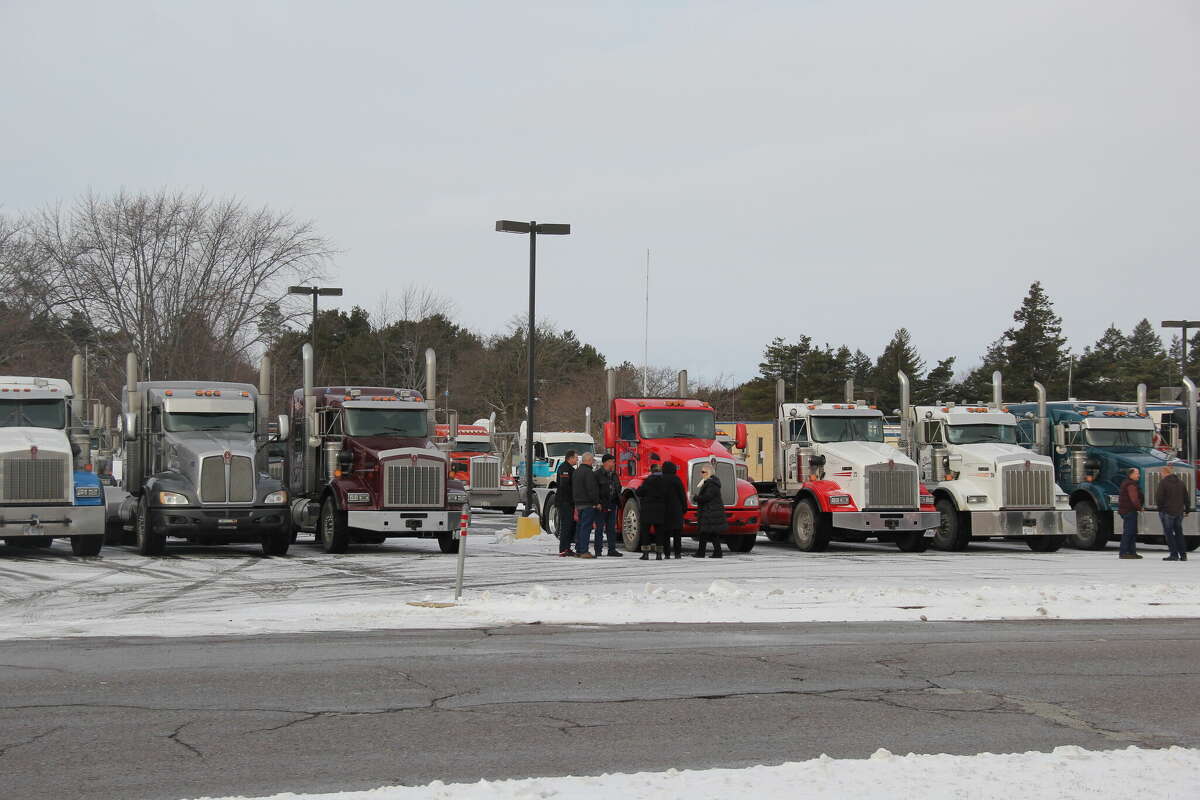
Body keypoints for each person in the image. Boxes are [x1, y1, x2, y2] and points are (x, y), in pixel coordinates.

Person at [1155, 463, 1189, 562]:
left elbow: (1159, 497)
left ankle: (1173, 554)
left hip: (1167, 512)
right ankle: (1183, 555)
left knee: (1169, 534)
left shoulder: (1163, 483)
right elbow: (1186, 497)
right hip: (1179, 512)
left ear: (1165, 473)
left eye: (1162, 473)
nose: (1161, 475)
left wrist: (1160, 509)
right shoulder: (1181, 482)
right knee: (1179, 533)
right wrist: (1187, 509)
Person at [692, 464, 726, 558]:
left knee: (705, 533)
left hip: (710, 512)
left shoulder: (711, 484)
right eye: (701, 472)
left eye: (703, 472)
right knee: (712, 533)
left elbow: (707, 497)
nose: (701, 474)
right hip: (711, 511)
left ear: (708, 472)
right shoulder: (710, 482)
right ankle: (716, 553)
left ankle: (702, 553)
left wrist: (696, 498)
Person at [572, 452, 600, 559]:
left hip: (578, 503)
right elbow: (591, 489)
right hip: (588, 504)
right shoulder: (589, 473)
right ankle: (584, 551)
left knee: (580, 527)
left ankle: (579, 549)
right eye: (592, 460)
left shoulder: (576, 472)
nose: (593, 462)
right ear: (588, 460)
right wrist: (596, 502)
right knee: (586, 528)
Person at [594, 454, 623, 557]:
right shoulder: (597, 474)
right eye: (612, 461)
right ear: (606, 462)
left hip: (612, 504)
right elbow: (594, 490)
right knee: (599, 528)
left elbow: (618, 486)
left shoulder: (614, 474)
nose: (614, 463)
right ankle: (598, 550)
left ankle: (612, 549)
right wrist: (597, 503)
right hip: (602, 505)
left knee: (611, 528)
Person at [636, 463, 666, 560]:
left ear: (651, 471)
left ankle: (645, 554)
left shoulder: (647, 481)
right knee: (659, 533)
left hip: (647, 509)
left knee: (645, 532)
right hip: (660, 510)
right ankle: (659, 554)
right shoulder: (664, 481)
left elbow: (639, 492)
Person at [660, 461, 688, 559]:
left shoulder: (660, 479)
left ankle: (667, 553)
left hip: (664, 510)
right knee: (677, 534)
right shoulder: (676, 479)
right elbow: (682, 495)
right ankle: (677, 553)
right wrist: (684, 507)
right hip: (676, 510)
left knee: (665, 534)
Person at [555, 451, 578, 557]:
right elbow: (564, 486)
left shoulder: (570, 469)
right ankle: (563, 548)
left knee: (570, 526)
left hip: (569, 502)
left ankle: (567, 547)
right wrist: (573, 496)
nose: (577, 460)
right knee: (566, 525)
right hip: (565, 501)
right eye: (576, 458)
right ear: (570, 458)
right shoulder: (564, 468)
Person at [1117, 467, 1143, 560]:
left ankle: (1132, 552)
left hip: (1127, 510)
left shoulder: (1128, 483)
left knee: (1131, 532)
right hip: (1129, 511)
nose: (1139, 475)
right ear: (1131, 475)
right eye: (1137, 473)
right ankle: (1123, 552)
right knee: (1128, 532)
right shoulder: (1130, 485)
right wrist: (1140, 508)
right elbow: (1134, 499)